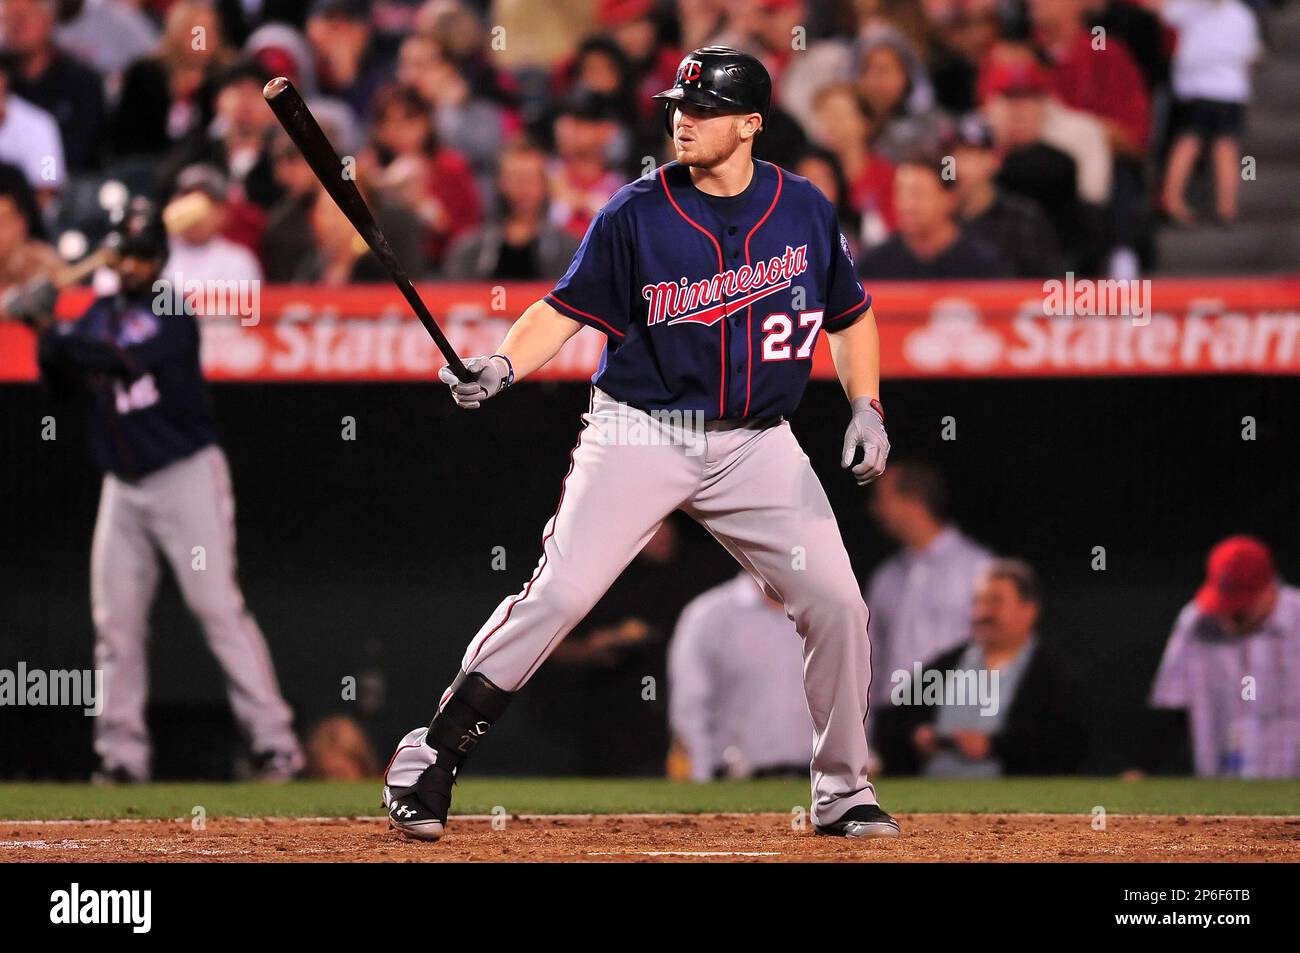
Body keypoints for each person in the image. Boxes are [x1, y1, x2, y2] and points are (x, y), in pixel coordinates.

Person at [383, 47, 900, 842]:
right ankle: (433, 752)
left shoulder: (803, 208)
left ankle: (841, 789)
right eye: (678, 107)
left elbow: (850, 311)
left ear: (752, 124)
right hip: (642, 429)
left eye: (703, 110)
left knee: (836, 601)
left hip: (756, 442)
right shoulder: (637, 210)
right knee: (560, 594)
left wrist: (866, 404)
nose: (683, 120)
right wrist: (506, 361)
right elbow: (565, 309)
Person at [8, 207, 303, 782]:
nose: (135, 265)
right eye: (127, 255)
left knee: (217, 608)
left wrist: (53, 326)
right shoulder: (99, 311)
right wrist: (41, 329)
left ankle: (276, 744)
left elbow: (117, 358)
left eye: (144, 256)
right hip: (123, 486)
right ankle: (120, 756)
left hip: (184, 475)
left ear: (160, 261)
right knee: (114, 623)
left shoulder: (171, 312)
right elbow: (62, 383)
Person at [877, 560, 1091, 777]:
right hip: (931, 800)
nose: (982, 613)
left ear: (1029, 610)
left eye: (995, 602)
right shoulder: (946, 664)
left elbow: (1066, 745)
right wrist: (915, 737)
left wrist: (994, 747)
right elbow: (893, 721)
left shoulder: (1054, 677)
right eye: (977, 601)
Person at [1149, 537, 1300, 778]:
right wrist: (1148, 767)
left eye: (1240, 610)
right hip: (1217, 786)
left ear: (1268, 589)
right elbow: (1170, 709)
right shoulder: (1196, 621)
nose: (1227, 618)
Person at [865, 460, 994, 724]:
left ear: (911, 501)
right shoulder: (885, 578)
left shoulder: (979, 569)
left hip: (955, 721)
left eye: (881, 498)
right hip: (894, 724)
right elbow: (870, 659)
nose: (874, 509)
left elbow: (999, 649)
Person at [668, 573, 813, 781]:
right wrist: (699, 780)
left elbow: (855, 696)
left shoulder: (831, 610)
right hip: (736, 780)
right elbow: (690, 707)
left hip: (818, 783)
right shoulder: (708, 614)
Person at [1153, 0, 1262, 224]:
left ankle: (1180, 199)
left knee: (1194, 142)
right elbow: (1250, 58)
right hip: (1226, 90)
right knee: (1221, 146)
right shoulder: (1242, 15)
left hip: (1200, 89)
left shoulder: (1191, 8)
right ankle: (1224, 206)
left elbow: (1157, 9)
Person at [855, 151, 1012, 280]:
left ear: (949, 199)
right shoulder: (874, 265)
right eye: (900, 192)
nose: (906, 204)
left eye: (918, 193)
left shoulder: (983, 265)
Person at [443, 139, 581, 281]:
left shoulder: (568, 251)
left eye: (530, 178)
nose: (524, 188)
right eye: (515, 178)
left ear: (545, 183)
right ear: (500, 182)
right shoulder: (470, 251)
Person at [948, 115, 1062, 277]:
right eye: (953, 156)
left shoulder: (1023, 218)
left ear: (995, 160)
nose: (959, 166)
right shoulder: (939, 218)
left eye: (971, 155)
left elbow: (1043, 280)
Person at [0, 0, 105, 172]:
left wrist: (41, 182)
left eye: (23, 17)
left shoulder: (82, 82)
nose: (15, 26)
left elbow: (80, 154)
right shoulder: (3, 78)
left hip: (59, 183)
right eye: (8, 18)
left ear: (49, 20)